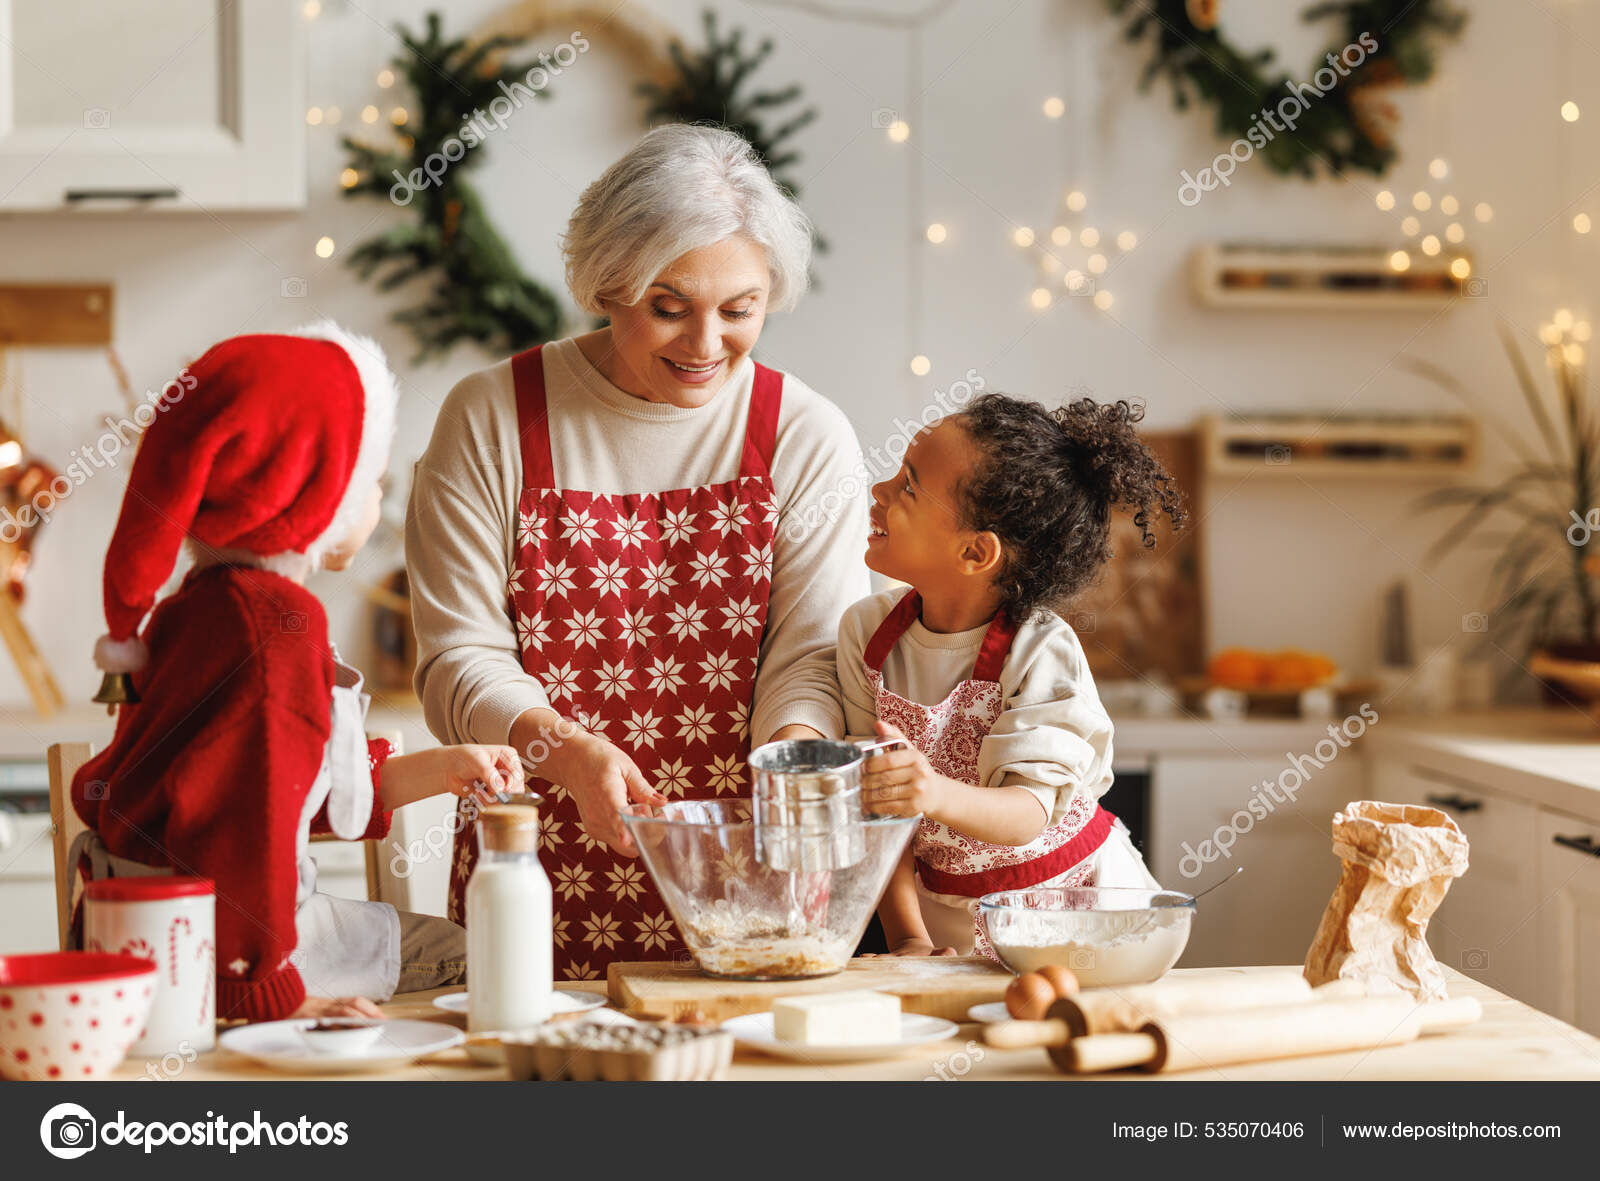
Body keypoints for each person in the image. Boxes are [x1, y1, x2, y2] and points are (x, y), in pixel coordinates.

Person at [407, 124, 870, 978]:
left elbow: (810, 656)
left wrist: (791, 777)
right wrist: (568, 753)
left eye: (739, 311)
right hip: (536, 866)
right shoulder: (493, 418)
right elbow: (455, 661)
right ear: (607, 286)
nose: (704, 346)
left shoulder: (805, 435)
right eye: (668, 306)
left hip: (756, 877)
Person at [73, 325, 523, 1021]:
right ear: (314, 495)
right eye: (370, 481)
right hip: (220, 952)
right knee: (471, 952)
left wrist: (443, 766)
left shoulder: (200, 608)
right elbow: (239, 834)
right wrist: (279, 998)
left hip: (154, 932)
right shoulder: (275, 628)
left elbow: (283, 786)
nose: (376, 503)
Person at [836, 394, 1183, 956]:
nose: (880, 491)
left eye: (908, 486)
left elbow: (1026, 814)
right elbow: (877, 816)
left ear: (975, 552)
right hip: (950, 917)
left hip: (1083, 912)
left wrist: (930, 791)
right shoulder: (866, 637)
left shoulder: (1039, 650)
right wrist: (907, 937)